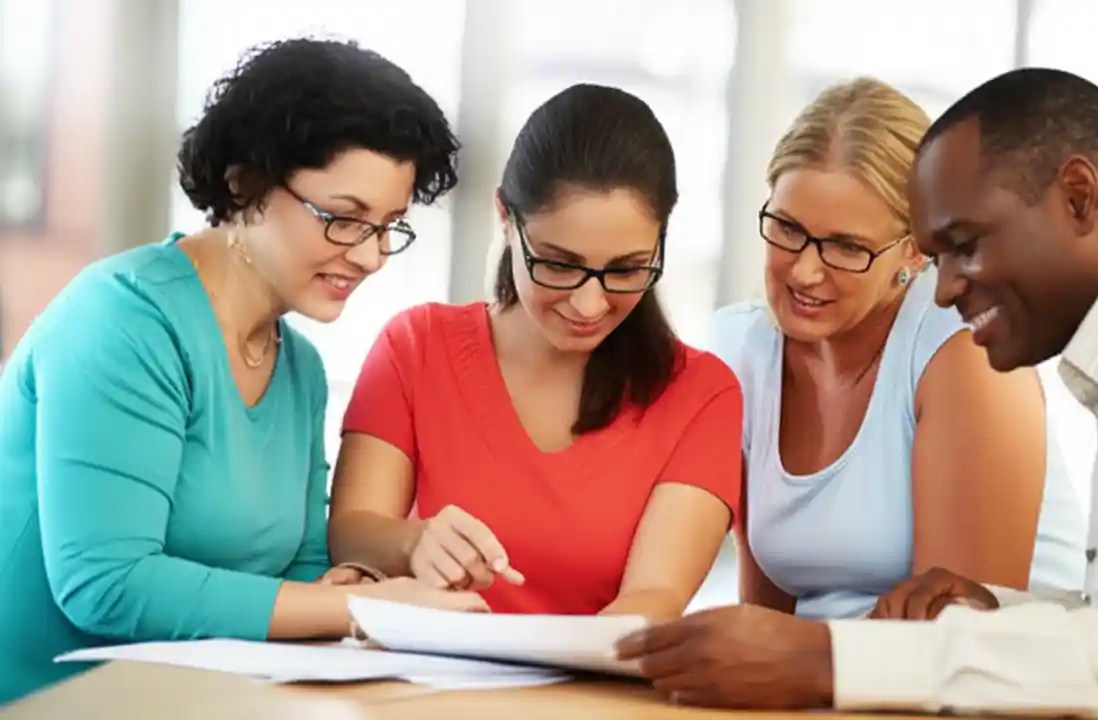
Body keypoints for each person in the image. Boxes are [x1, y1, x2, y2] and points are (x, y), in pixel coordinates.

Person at [616, 67, 1098, 719]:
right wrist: (999, 612)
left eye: (964, 246)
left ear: (1078, 196)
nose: (945, 288)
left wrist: (826, 658)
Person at [0, 38, 484, 704]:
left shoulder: (300, 370)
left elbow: (301, 571)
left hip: (189, 702)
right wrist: (369, 610)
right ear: (245, 182)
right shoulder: (125, 319)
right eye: (344, 220)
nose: (372, 256)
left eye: (389, 226)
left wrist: (367, 586)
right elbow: (105, 583)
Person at [326, 84, 741, 622]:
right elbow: (352, 532)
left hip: (592, 697)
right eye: (558, 264)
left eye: (626, 269)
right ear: (506, 216)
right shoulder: (416, 348)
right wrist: (413, 542)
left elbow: (652, 601)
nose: (589, 303)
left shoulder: (701, 395)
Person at [707, 77, 1085, 622]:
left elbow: (957, 635)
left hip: (988, 685)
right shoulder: (745, 349)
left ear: (914, 250)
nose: (805, 271)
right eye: (787, 228)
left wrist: (786, 659)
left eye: (846, 247)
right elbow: (764, 621)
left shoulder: (964, 352)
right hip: (828, 684)